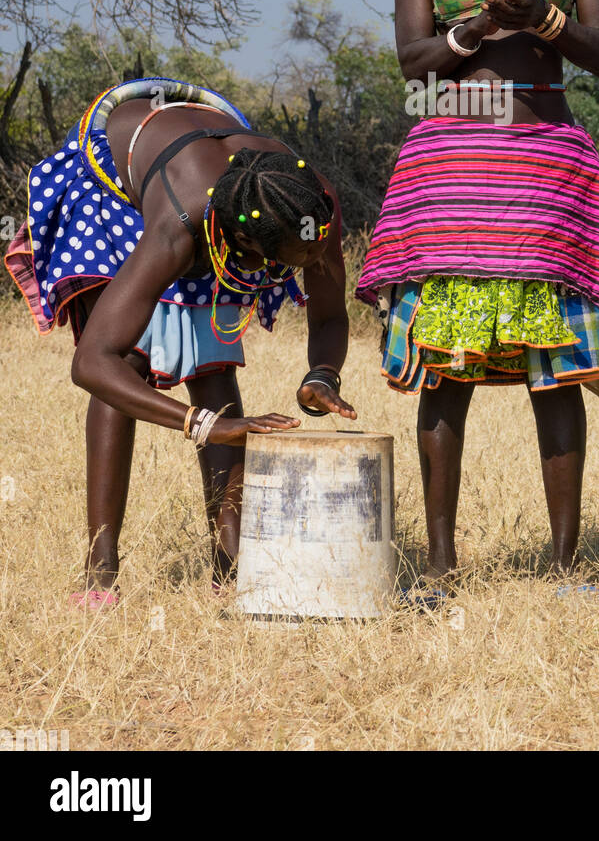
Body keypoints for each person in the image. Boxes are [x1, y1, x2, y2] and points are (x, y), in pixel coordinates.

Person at [355, 0, 599, 589]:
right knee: (445, 371)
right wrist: (481, 24)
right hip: (450, 166)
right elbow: (412, 64)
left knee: (552, 361)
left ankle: (563, 564)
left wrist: (543, 22)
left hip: (546, 160)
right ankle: (442, 564)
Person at [5, 76, 354, 606]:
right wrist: (206, 424)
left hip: (212, 182)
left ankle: (230, 564)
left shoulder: (310, 210)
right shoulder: (181, 223)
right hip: (115, 186)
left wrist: (321, 375)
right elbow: (93, 363)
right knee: (128, 361)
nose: (305, 269)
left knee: (212, 363)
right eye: (287, 263)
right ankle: (100, 571)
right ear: (242, 244)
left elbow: (330, 317)